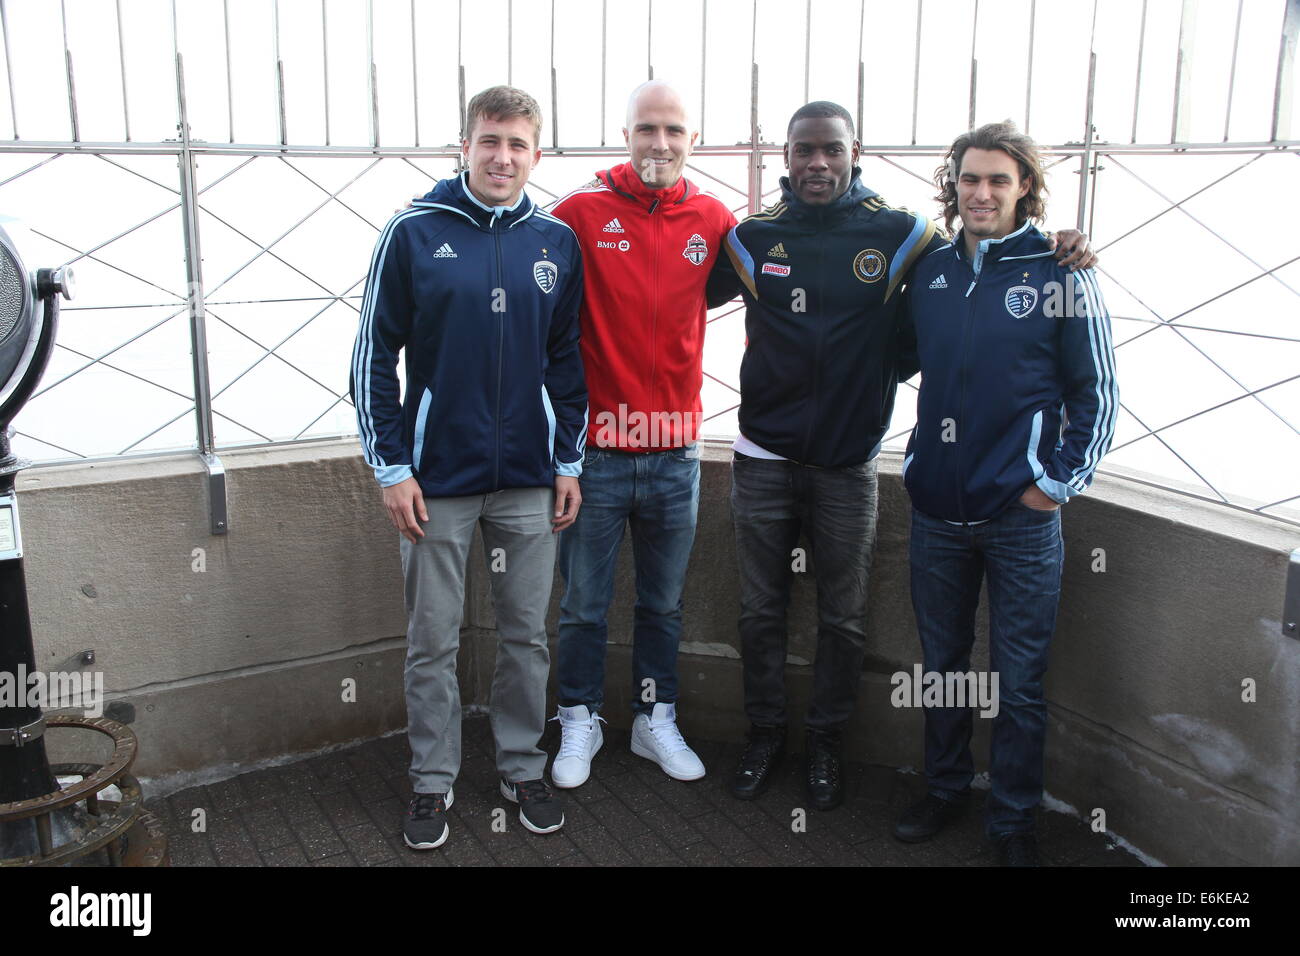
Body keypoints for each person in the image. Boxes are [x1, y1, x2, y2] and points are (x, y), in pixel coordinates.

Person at [709, 102, 1094, 812]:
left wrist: (1063, 243)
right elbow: (664, 294)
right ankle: (764, 735)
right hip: (762, 458)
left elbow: (969, 288)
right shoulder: (749, 238)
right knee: (760, 612)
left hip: (850, 465)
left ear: (855, 151)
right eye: (803, 151)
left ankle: (826, 744)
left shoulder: (904, 234)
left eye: (831, 149)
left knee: (844, 618)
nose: (816, 163)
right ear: (785, 156)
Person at [350, 85, 587, 849]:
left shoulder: (554, 242)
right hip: (436, 480)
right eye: (490, 140)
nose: (503, 156)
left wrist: (568, 460)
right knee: (433, 639)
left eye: (518, 144)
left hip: (527, 479)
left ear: (536, 155)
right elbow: (371, 358)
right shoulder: (413, 232)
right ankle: (431, 782)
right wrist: (392, 467)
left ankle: (522, 766)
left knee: (527, 633)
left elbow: (565, 361)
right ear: (465, 145)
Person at [892, 121, 1118, 866]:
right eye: (969, 178)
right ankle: (946, 788)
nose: (981, 192)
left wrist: (1053, 485)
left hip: (1020, 517)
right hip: (936, 510)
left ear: (1025, 187)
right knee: (945, 669)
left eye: (998, 179)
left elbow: (1096, 394)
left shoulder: (1061, 272)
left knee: (1018, 684)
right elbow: (881, 356)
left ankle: (1013, 823)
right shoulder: (930, 271)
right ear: (951, 186)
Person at [544, 81, 738, 788]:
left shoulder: (715, 218)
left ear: (693, 139)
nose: (661, 143)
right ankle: (579, 717)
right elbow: (511, 262)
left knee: (662, 602)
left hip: (676, 453)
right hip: (596, 454)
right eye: (647, 129)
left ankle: (655, 721)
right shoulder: (578, 212)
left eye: (674, 131)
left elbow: (794, 259)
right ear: (624, 133)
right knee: (583, 605)